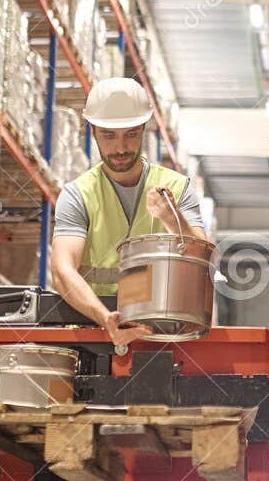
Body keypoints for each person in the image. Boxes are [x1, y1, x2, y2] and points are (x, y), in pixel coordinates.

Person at [49, 77, 207, 352]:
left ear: (144, 130)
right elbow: (62, 270)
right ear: (93, 132)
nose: (121, 148)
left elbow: (202, 259)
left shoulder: (177, 188)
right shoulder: (78, 194)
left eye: (131, 134)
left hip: (161, 329)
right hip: (91, 326)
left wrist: (173, 220)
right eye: (109, 135)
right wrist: (105, 319)